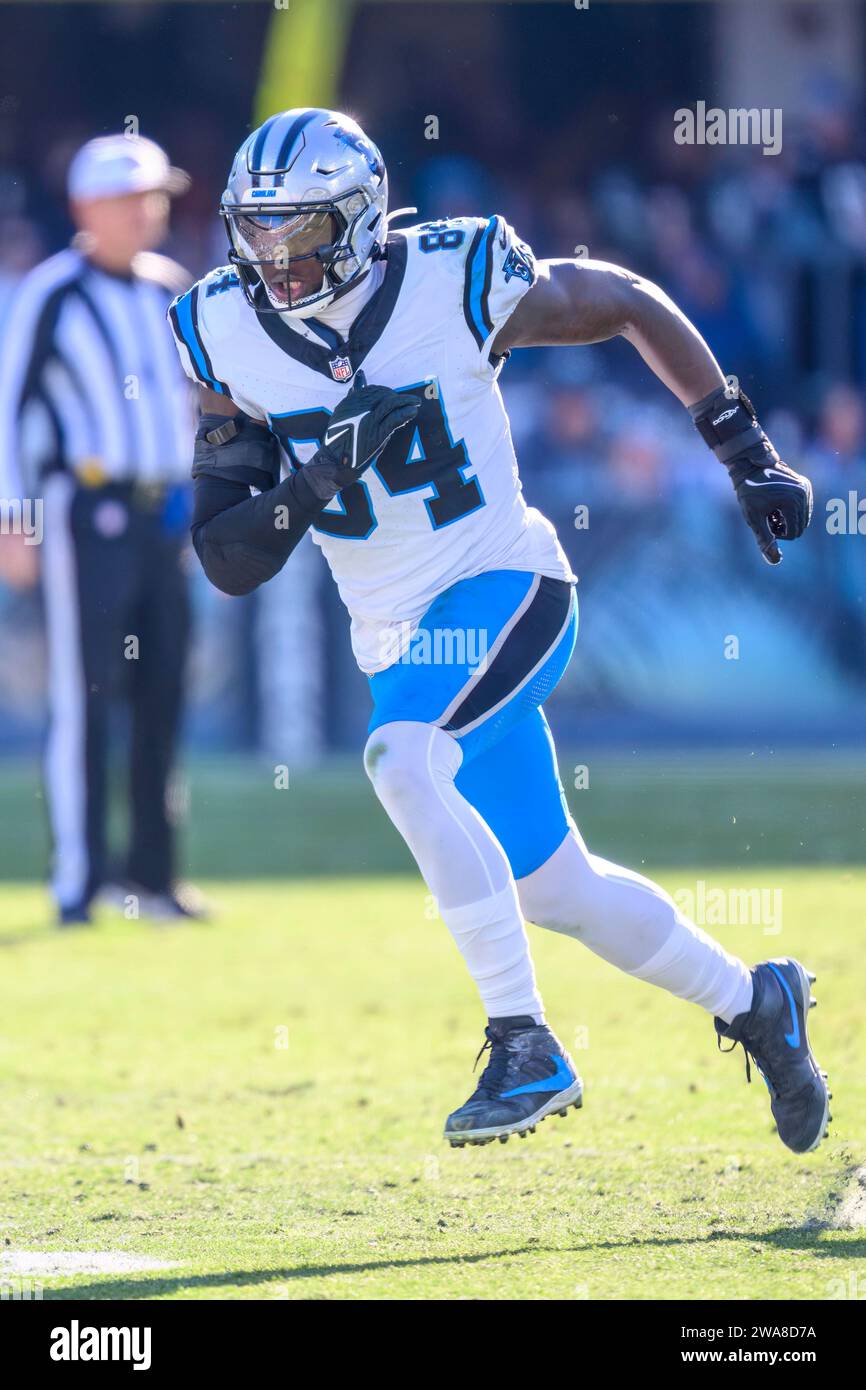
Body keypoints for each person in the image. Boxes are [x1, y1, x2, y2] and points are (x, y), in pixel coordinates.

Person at [168, 108, 828, 1152]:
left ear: (359, 219)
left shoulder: (452, 272)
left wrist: (742, 448)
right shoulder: (221, 330)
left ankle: (524, 1042)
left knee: (401, 759)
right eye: (256, 230)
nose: (275, 258)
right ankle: (758, 1001)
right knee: (559, 888)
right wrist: (325, 470)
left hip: (505, 583)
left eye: (299, 230)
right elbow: (228, 558)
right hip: (397, 641)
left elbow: (624, 300)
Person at [0, 134, 202, 924]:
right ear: (85, 208)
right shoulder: (51, 293)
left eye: (152, 198)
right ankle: (79, 879)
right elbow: (8, 410)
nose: (144, 212)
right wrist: (13, 521)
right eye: (127, 199)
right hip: (88, 515)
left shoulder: (170, 289)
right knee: (85, 694)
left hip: (164, 515)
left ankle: (154, 878)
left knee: (164, 690)